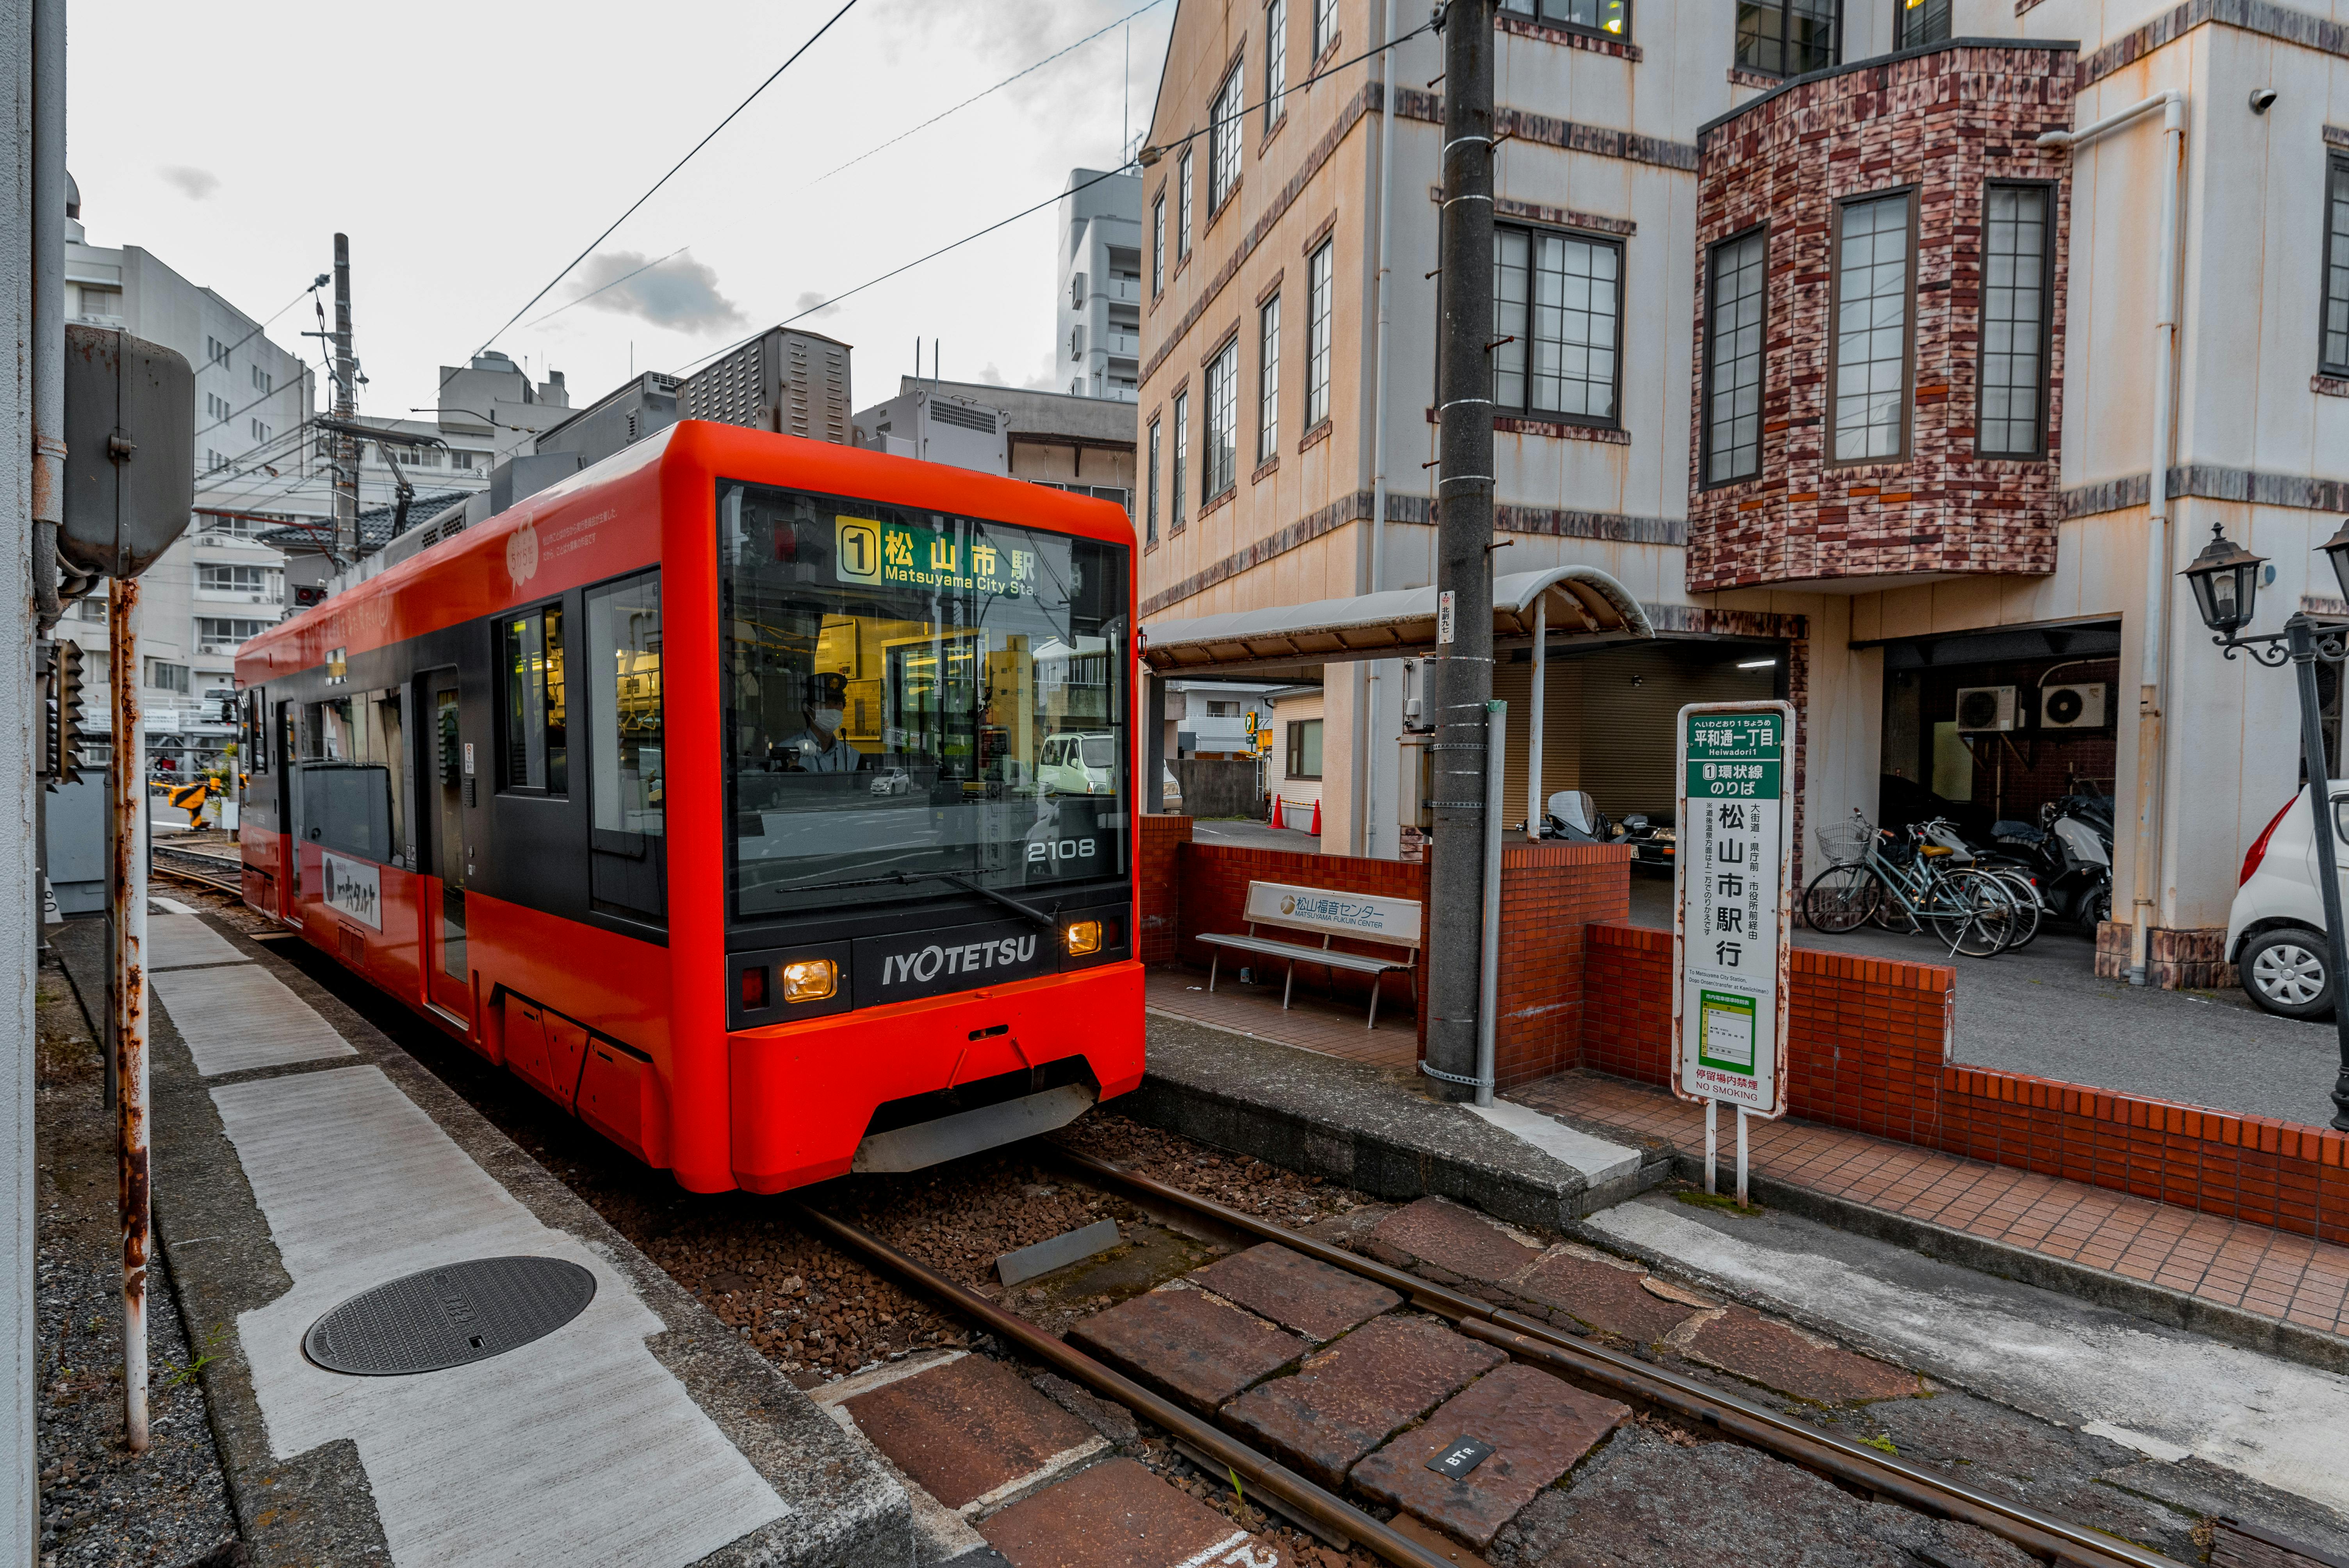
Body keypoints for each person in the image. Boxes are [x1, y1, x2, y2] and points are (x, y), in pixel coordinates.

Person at [773, 671, 867, 773]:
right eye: (825, 703)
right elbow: (776, 786)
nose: (833, 709)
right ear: (808, 708)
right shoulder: (787, 751)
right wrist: (793, 760)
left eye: (837, 703)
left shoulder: (852, 757)